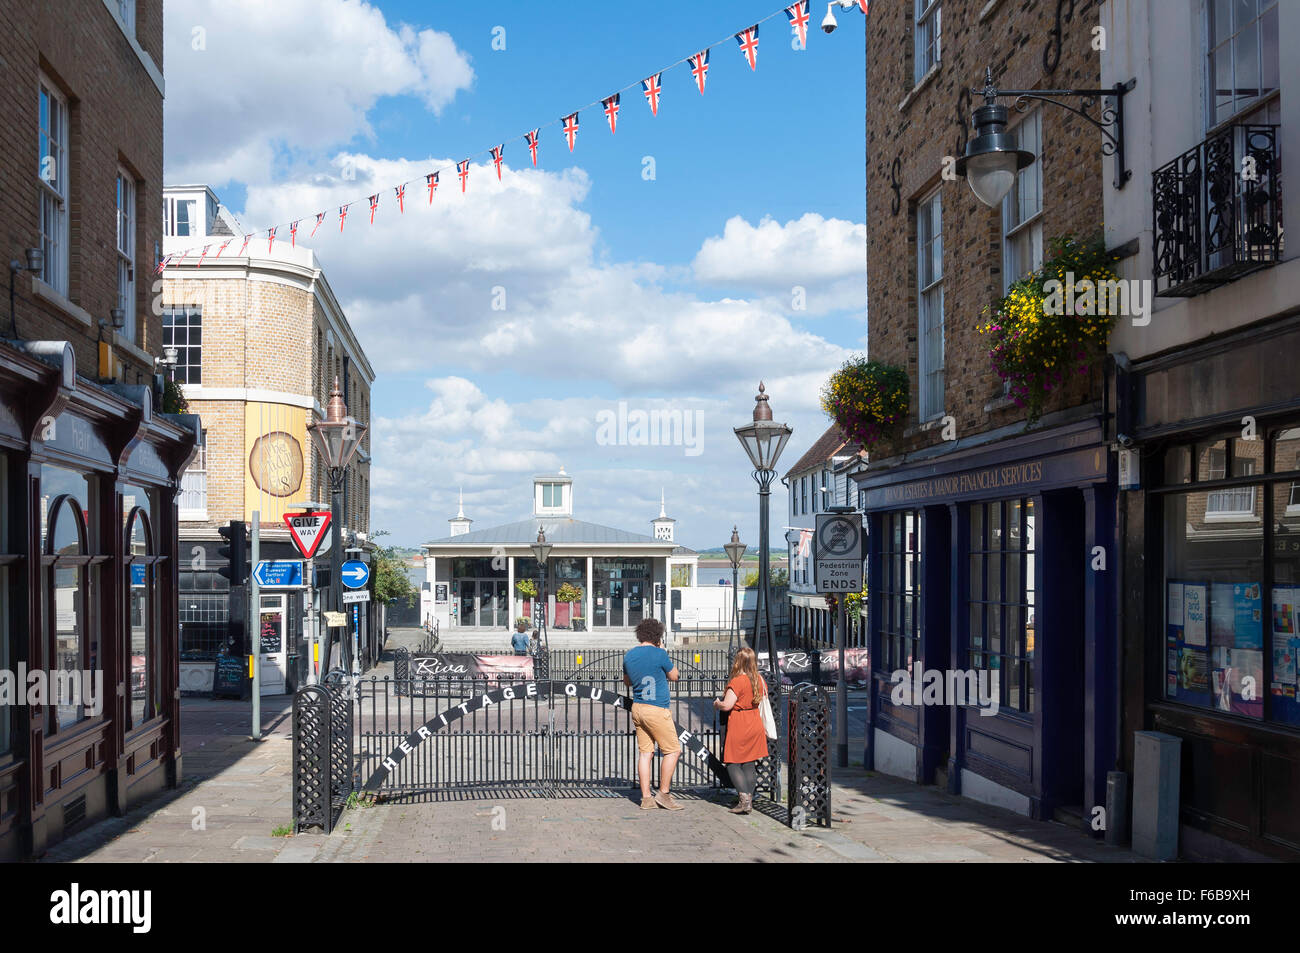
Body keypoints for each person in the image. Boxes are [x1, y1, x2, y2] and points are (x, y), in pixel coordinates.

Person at [622, 618, 683, 810]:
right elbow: (675, 676)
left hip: (638, 707)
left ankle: (646, 798)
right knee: (673, 750)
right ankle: (663, 793)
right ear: (657, 636)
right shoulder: (659, 654)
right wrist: (663, 652)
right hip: (657, 708)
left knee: (645, 753)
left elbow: (627, 682)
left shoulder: (629, 656)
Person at [714, 647, 768, 814]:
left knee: (732, 762)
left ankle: (743, 799)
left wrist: (717, 704)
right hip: (754, 722)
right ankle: (749, 799)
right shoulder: (759, 679)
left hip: (739, 723)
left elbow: (727, 705)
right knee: (749, 762)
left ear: (738, 661)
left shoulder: (737, 682)